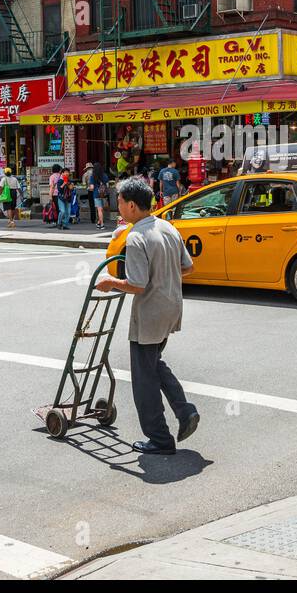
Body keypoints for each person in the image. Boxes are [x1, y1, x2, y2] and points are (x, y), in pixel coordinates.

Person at [94, 176, 200, 454]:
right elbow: (188, 267)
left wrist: (110, 283)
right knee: (153, 364)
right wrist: (165, 274)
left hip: (150, 313)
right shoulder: (166, 227)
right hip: (171, 309)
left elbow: (137, 285)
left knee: (144, 379)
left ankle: (160, 439)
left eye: (119, 202)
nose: (117, 208)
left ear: (131, 205)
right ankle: (184, 409)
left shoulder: (138, 237)